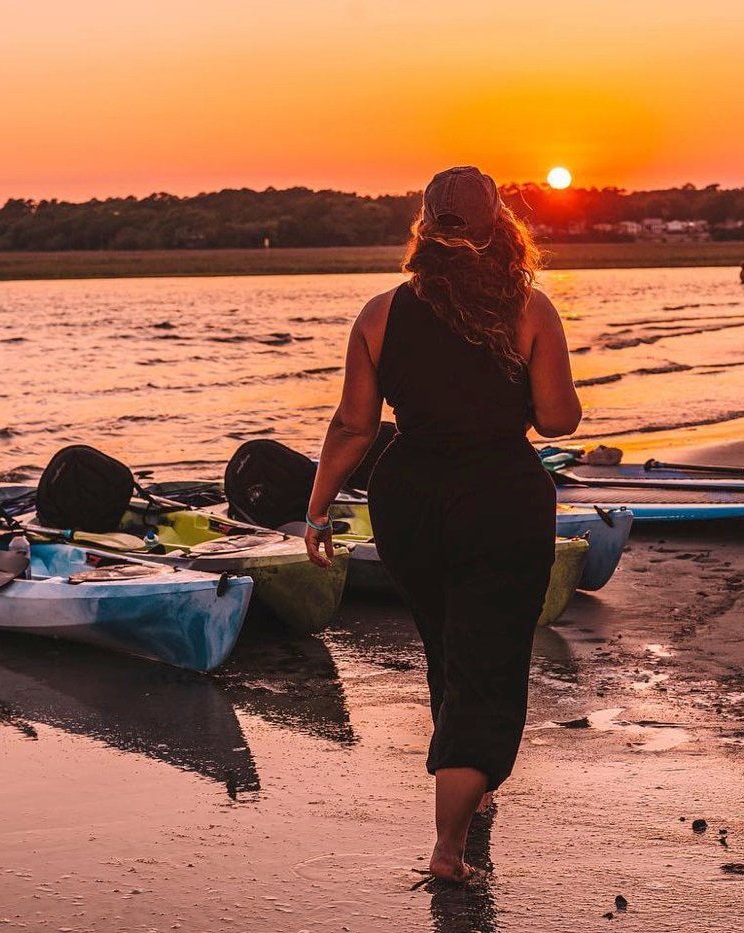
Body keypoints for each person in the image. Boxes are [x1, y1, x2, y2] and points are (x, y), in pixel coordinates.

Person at [302, 166, 581, 883]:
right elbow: (558, 419)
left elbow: (353, 426)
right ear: (499, 228)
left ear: (424, 228)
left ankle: (472, 792)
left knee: (449, 646)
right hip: (500, 498)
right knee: (488, 663)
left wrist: (317, 506)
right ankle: (448, 847)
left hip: (409, 500)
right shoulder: (529, 307)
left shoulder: (380, 313)